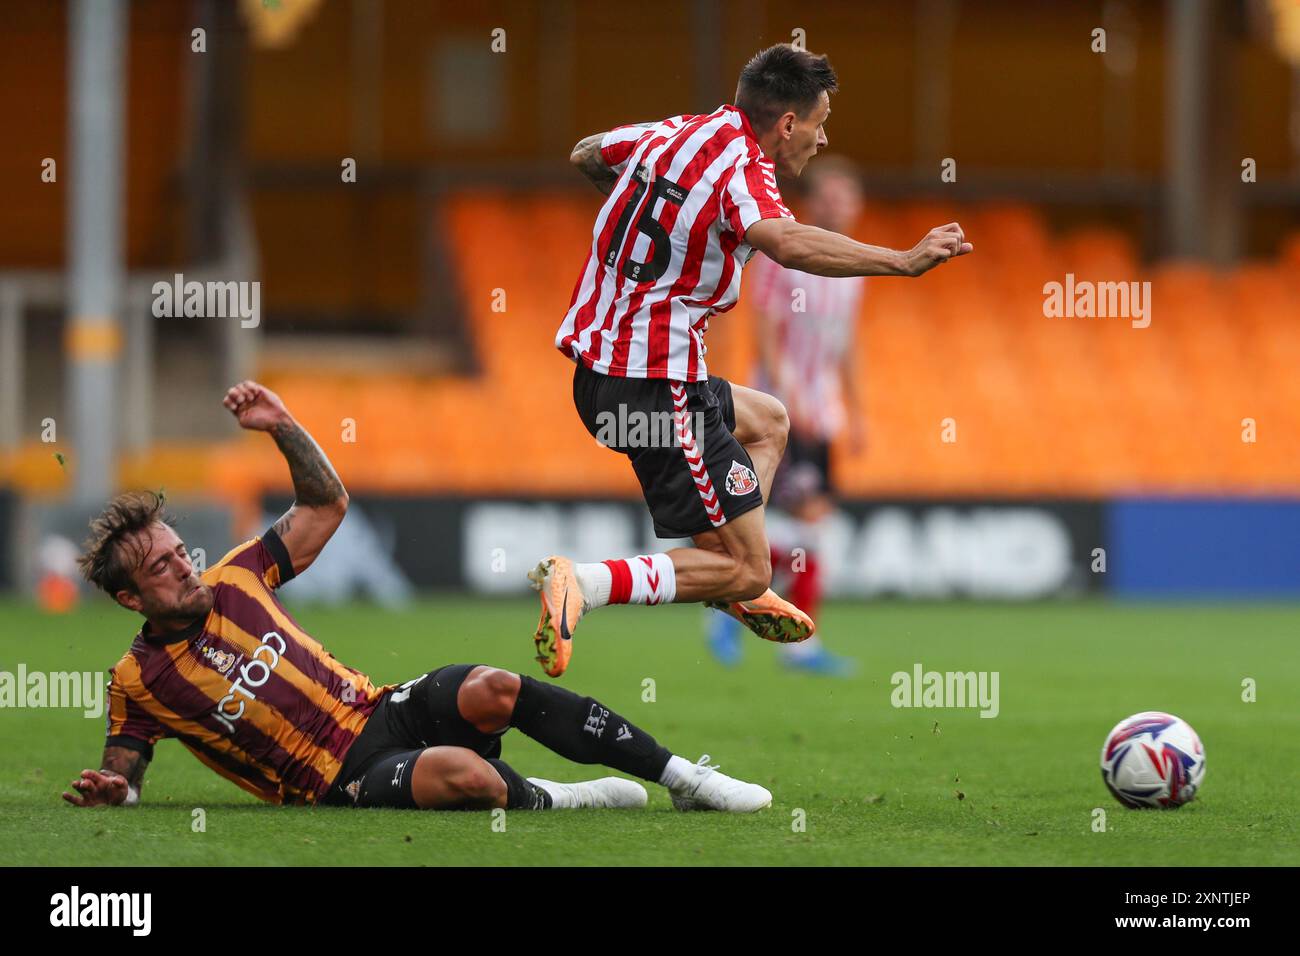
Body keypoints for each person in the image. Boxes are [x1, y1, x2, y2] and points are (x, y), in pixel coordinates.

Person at [62, 381, 770, 813]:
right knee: (468, 776)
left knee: (494, 687)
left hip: (380, 709)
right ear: (131, 600)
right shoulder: (137, 683)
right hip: (339, 779)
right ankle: (564, 796)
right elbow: (126, 778)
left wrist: (283, 428)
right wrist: (113, 794)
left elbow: (326, 503)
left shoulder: (239, 575)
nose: (182, 566)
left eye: (177, 550)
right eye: (159, 568)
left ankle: (683, 777)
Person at [534, 43, 971, 677]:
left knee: (769, 421)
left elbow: (586, 152)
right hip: (654, 384)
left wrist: (659, 203)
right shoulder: (745, 169)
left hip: (605, 375)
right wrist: (902, 261)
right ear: (788, 122)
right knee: (748, 565)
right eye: (819, 124)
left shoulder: (673, 134)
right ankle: (591, 583)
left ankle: (732, 580)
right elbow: (788, 243)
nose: (822, 141)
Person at [709, 156, 866, 677]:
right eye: (830, 196)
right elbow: (768, 330)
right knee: (806, 522)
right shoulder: (786, 252)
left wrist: (856, 412)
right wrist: (786, 395)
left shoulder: (850, 271)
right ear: (814, 201)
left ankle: (737, 602)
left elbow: (846, 347)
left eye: (846, 197)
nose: (838, 206)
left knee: (803, 526)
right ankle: (765, 621)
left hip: (822, 413)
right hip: (781, 408)